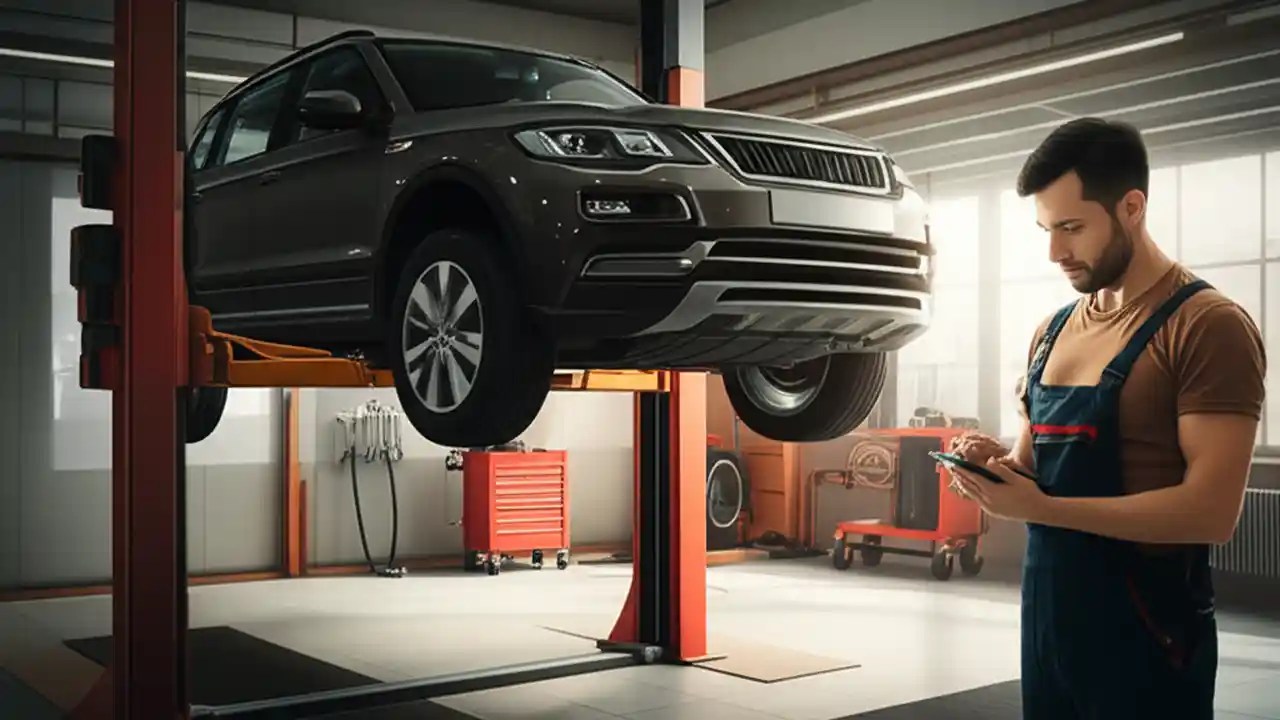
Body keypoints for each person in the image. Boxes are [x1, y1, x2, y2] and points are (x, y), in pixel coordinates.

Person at [948, 117, 1266, 719]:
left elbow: (1212, 511)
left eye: (1071, 227)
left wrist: (1043, 510)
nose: (1054, 251)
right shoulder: (1053, 330)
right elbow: (1033, 468)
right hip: (1050, 631)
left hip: (1150, 640)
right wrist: (993, 468)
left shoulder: (1206, 326)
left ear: (1132, 207)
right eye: (1045, 229)